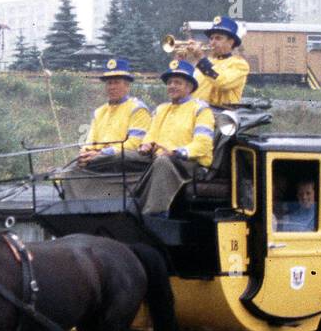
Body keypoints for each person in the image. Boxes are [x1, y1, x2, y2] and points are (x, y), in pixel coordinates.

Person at [57, 57, 152, 200]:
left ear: (127, 85)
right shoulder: (99, 112)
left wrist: (102, 153)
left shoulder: (137, 109)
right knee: (66, 172)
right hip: (99, 159)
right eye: (109, 83)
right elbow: (89, 142)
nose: (111, 87)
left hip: (122, 159)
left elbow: (135, 144)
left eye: (116, 82)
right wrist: (85, 153)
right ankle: (77, 205)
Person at [133, 59, 216, 214]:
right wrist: (146, 145)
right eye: (170, 83)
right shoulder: (161, 109)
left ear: (189, 87)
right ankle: (123, 204)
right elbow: (151, 134)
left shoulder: (201, 110)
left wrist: (177, 152)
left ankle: (155, 214)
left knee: (163, 162)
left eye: (177, 82)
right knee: (127, 157)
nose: (172, 86)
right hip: (160, 157)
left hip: (188, 162)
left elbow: (203, 144)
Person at [180, 15, 250, 107]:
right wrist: (181, 61)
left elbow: (222, 82)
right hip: (198, 110)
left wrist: (201, 58)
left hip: (222, 112)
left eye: (218, 38)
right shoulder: (205, 62)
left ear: (231, 42)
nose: (212, 42)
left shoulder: (239, 64)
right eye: (211, 38)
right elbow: (187, 88)